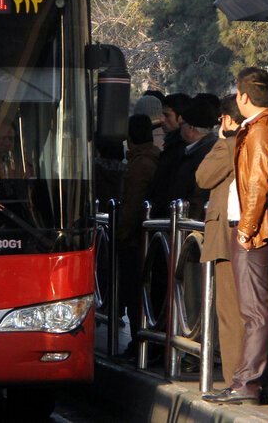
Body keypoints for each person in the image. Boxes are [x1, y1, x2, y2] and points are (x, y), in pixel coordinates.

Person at [203, 68, 268, 406]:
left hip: (255, 232)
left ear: (242, 97)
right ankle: (258, 381)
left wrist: (245, 230)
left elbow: (256, 184)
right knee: (261, 308)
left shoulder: (259, 130)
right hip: (262, 229)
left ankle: (246, 382)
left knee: (254, 312)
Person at [195, 95, 245, 384]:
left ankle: (234, 378)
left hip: (228, 234)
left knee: (229, 311)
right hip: (251, 235)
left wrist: (221, 139)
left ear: (227, 119)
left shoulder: (228, 145)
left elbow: (202, 177)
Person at [117, 114, 160, 356]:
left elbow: (132, 205)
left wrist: (120, 234)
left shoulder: (139, 165)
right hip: (143, 238)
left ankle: (139, 341)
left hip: (134, 241)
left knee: (134, 294)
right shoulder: (152, 158)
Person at [169, 97, 220, 219]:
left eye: (183, 124)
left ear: (191, 128)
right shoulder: (195, 151)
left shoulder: (204, 154)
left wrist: (191, 227)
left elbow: (199, 194)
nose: (180, 128)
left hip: (189, 221)